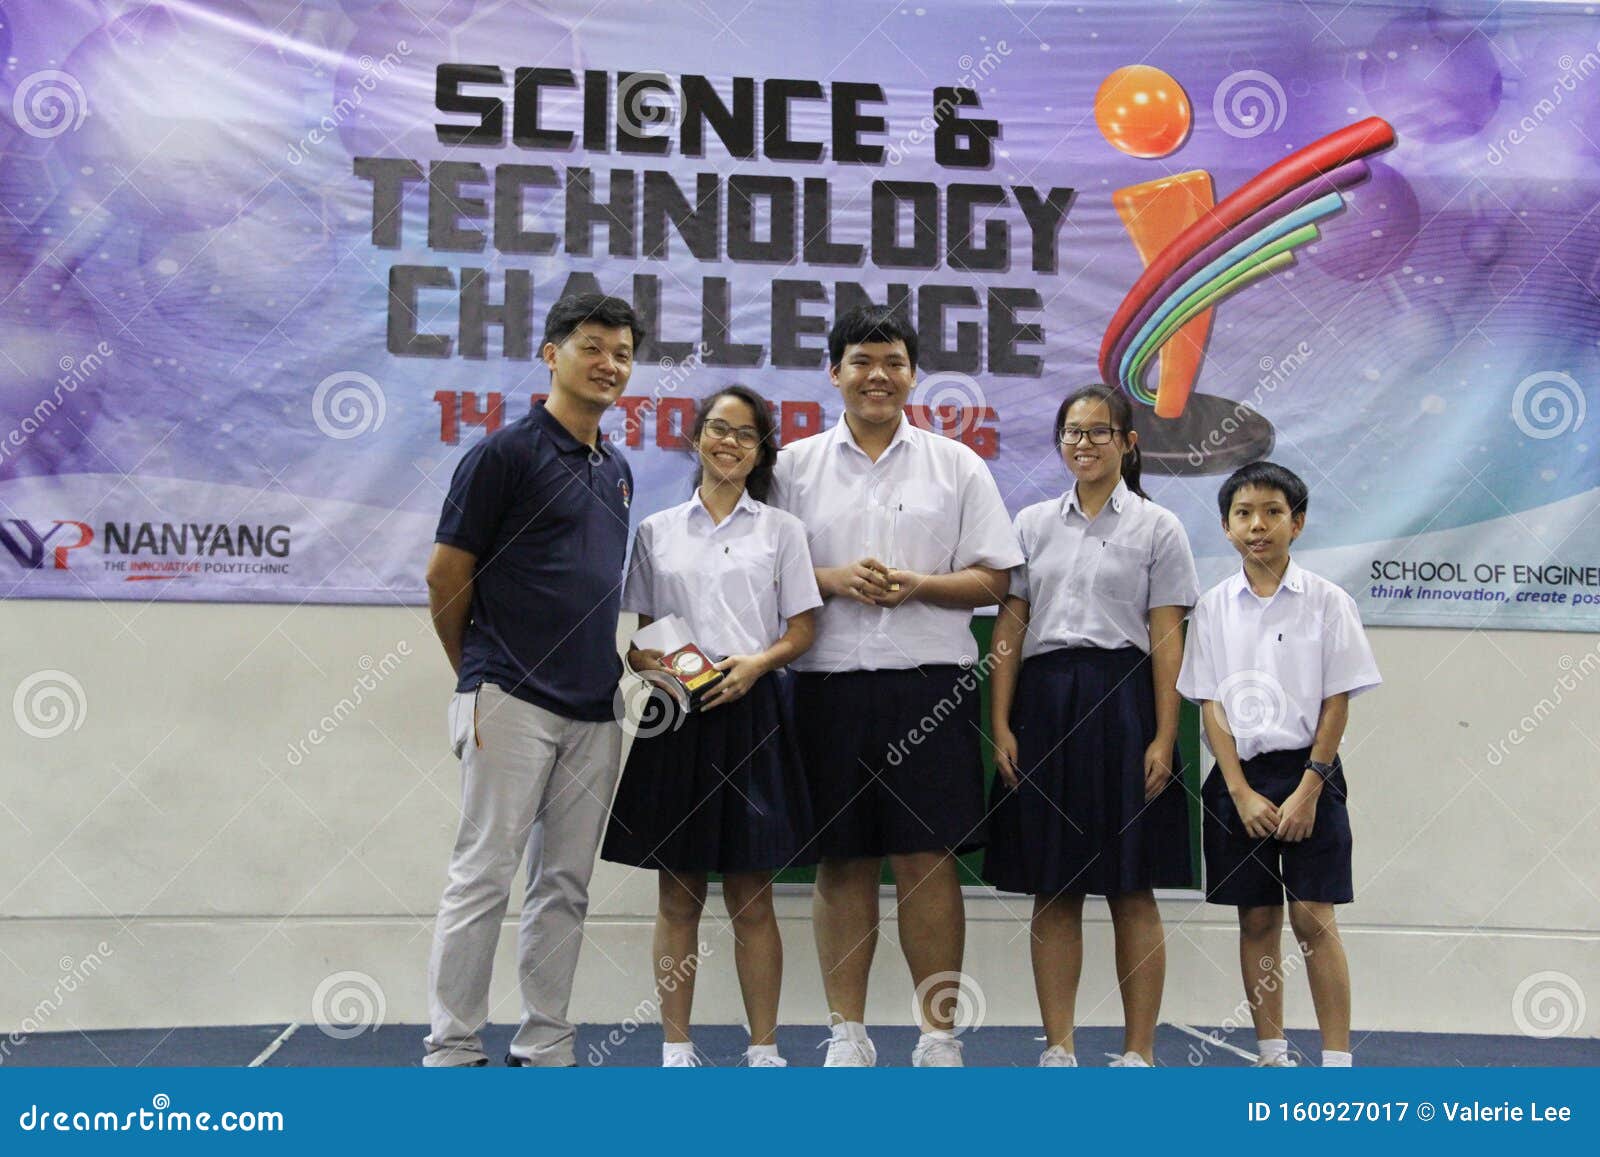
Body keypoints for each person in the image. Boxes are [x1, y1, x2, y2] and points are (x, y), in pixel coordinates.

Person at [770, 304, 1023, 1067]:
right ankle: (847, 1031)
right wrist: (832, 579)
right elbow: (762, 570)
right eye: (860, 361)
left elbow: (995, 578)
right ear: (834, 371)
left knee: (927, 858)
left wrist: (918, 585)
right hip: (826, 686)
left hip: (931, 687)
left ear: (913, 373)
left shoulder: (956, 464)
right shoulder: (792, 466)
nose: (877, 375)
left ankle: (937, 1033)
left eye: (893, 362)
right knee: (842, 860)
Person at [421, 293, 644, 1068]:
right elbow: (446, 576)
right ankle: (452, 1044)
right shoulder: (503, 455)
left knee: (565, 884)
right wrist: (478, 676)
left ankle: (545, 1038)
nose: (608, 363)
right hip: (508, 694)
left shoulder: (617, 469)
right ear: (551, 354)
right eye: (592, 346)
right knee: (483, 874)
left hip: (595, 708)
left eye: (621, 352)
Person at [601, 385, 822, 1068]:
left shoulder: (782, 531)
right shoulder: (657, 530)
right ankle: (676, 1045)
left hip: (753, 713)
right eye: (719, 429)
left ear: (761, 452)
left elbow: (803, 630)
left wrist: (758, 664)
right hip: (677, 720)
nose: (730, 442)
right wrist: (650, 664)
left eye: (746, 434)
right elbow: (640, 637)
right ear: (696, 437)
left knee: (754, 896)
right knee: (678, 893)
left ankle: (764, 1048)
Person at [983, 384, 1199, 1068]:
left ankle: (1139, 1051)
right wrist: (1001, 722)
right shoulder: (1032, 524)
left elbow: (1168, 637)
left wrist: (1166, 735)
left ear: (1127, 442)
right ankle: (1059, 1046)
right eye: (1071, 432)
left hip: (1125, 702)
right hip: (1044, 705)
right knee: (1055, 883)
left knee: (1131, 884)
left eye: (1098, 431)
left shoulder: (1158, 527)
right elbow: (1010, 628)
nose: (1082, 443)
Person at [1177, 460, 1381, 1068]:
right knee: (1257, 919)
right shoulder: (1212, 607)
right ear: (1225, 526)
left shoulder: (1328, 601)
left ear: (1298, 523)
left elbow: (1336, 700)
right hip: (1241, 779)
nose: (1257, 525)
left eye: (1272, 513)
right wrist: (1238, 791)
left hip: (1310, 776)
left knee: (1314, 919)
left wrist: (1310, 788)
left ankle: (1338, 1062)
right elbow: (1210, 704)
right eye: (1244, 514)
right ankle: (1271, 1053)